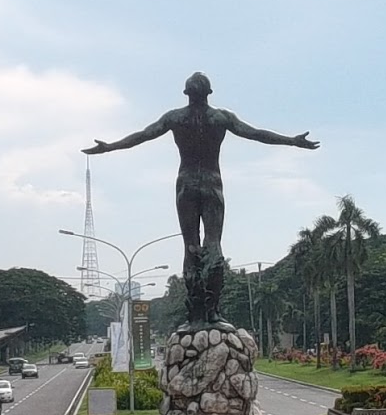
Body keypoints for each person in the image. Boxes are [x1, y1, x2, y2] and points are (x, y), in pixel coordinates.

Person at [85, 72, 317, 328]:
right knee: (214, 244)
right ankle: (212, 311)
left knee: (191, 247)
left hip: (185, 185)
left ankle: (196, 314)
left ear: (187, 93)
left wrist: (110, 147)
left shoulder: (175, 118)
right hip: (212, 185)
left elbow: (143, 135)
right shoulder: (221, 118)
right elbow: (256, 134)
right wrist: (292, 142)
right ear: (209, 94)